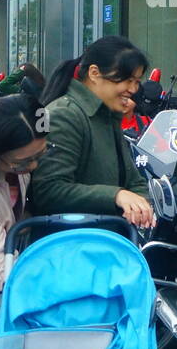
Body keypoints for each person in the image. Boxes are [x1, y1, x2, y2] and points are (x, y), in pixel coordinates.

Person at [31, 37, 155, 229]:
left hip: (106, 240)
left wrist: (143, 204)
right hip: (70, 245)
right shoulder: (64, 114)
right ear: (94, 73)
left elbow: (131, 178)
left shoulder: (107, 114)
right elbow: (49, 190)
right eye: (127, 80)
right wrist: (116, 195)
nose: (132, 89)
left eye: (137, 82)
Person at [0, 94, 50, 304]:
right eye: (23, 162)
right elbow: (1, 271)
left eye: (40, 155)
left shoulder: (18, 167)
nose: (33, 166)